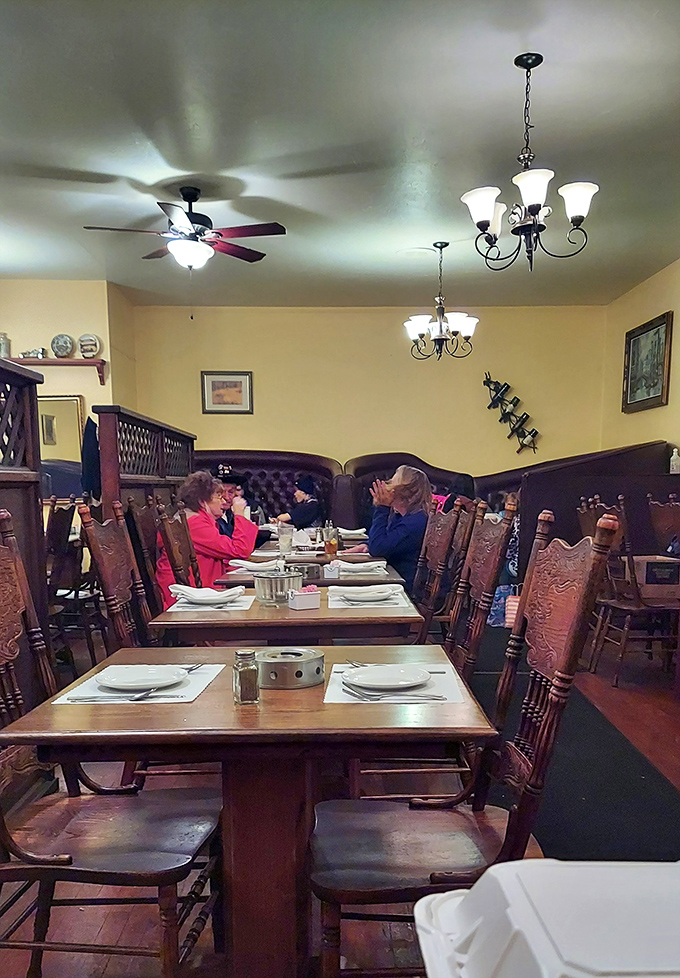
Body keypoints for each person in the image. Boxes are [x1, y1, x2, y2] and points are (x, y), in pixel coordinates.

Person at [155, 470, 259, 607]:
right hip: (187, 598)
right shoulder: (195, 524)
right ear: (202, 501)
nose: (224, 501)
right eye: (218, 497)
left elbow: (226, 554)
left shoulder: (197, 519)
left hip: (200, 591)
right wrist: (239, 515)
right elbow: (239, 550)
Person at [346, 465, 432, 593]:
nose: (386, 486)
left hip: (408, 589)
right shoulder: (402, 516)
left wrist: (381, 507)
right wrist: (367, 545)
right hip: (395, 579)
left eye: (392, 482)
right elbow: (385, 541)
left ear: (403, 490)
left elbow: (379, 549)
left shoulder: (416, 521)